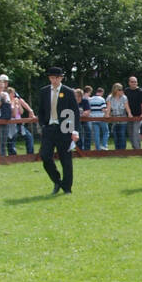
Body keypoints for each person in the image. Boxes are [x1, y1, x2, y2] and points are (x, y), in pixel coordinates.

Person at [38, 65, 80, 194]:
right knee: (45, 156)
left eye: (57, 78)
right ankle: (57, 181)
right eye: (52, 78)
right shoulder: (44, 91)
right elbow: (41, 110)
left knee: (65, 159)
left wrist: (74, 130)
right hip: (49, 128)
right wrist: (42, 125)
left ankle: (67, 188)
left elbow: (75, 112)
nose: (54, 80)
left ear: (61, 78)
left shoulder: (68, 92)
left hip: (64, 128)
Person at [9, 88, 35, 155]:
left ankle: (30, 154)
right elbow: (14, 114)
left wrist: (19, 104)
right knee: (12, 139)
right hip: (12, 124)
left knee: (29, 137)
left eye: (14, 93)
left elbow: (21, 112)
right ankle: (12, 155)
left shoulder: (16, 100)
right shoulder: (8, 103)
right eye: (12, 93)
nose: (14, 95)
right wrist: (14, 105)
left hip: (19, 123)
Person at [126, 76, 142, 149]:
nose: (134, 83)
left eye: (135, 82)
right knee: (130, 133)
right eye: (132, 82)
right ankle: (134, 149)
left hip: (138, 116)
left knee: (136, 133)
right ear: (129, 83)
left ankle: (138, 149)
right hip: (129, 116)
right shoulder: (126, 91)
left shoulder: (140, 91)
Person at [108, 82, 130, 149]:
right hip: (114, 118)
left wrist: (129, 114)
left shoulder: (124, 97)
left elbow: (127, 107)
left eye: (121, 89)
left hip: (122, 118)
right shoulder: (110, 97)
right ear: (115, 90)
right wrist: (107, 114)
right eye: (119, 89)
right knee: (115, 135)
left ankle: (122, 151)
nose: (121, 91)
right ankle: (117, 151)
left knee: (122, 135)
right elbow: (108, 108)